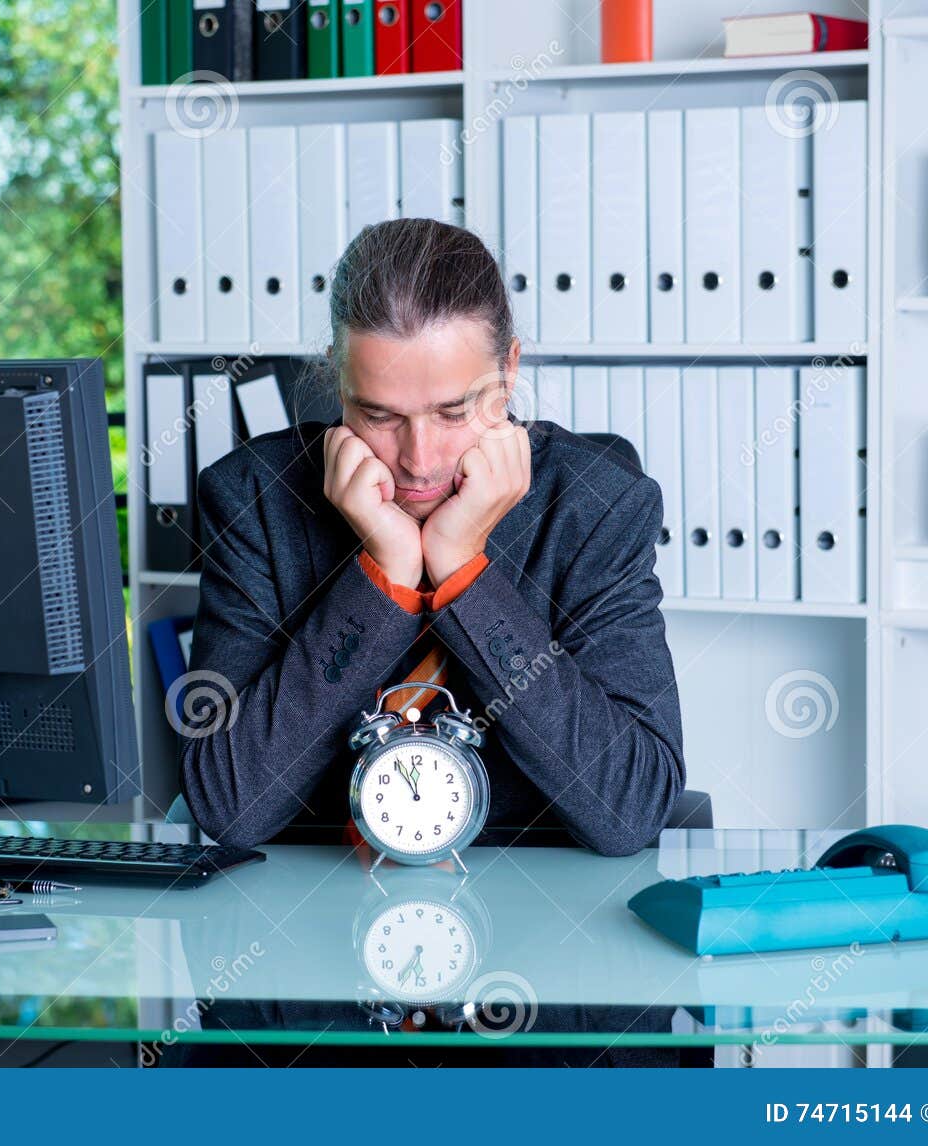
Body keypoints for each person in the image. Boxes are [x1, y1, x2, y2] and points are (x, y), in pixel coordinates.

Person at [178, 216, 685, 860]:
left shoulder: (600, 508)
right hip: (309, 903)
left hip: (535, 914)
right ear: (338, 378)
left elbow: (632, 807)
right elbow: (231, 806)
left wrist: (463, 574)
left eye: (453, 412)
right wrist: (383, 579)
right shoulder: (253, 499)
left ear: (509, 369)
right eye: (379, 414)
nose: (419, 460)